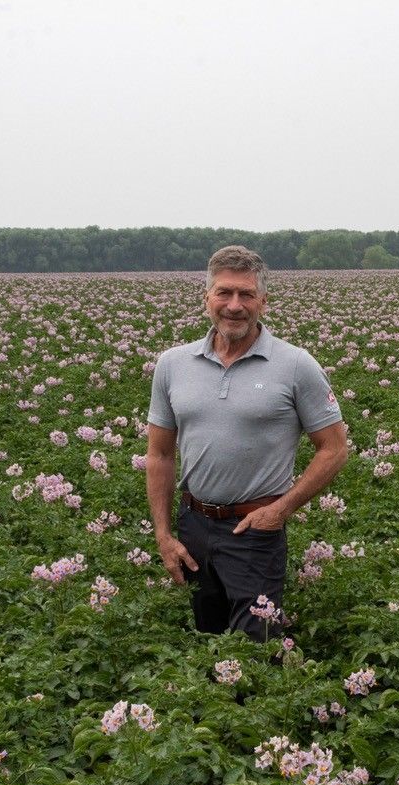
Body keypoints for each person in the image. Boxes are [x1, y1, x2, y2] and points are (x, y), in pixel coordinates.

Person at [145, 245, 348, 642]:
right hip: (194, 526)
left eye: (246, 294)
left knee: (255, 647)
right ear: (207, 299)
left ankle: (255, 702)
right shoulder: (173, 364)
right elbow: (160, 454)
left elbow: (335, 448)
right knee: (207, 638)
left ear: (263, 303)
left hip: (254, 530)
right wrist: (164, 535)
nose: (234, 305)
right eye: (224, 293)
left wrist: (280, 510)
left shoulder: (295, 364)